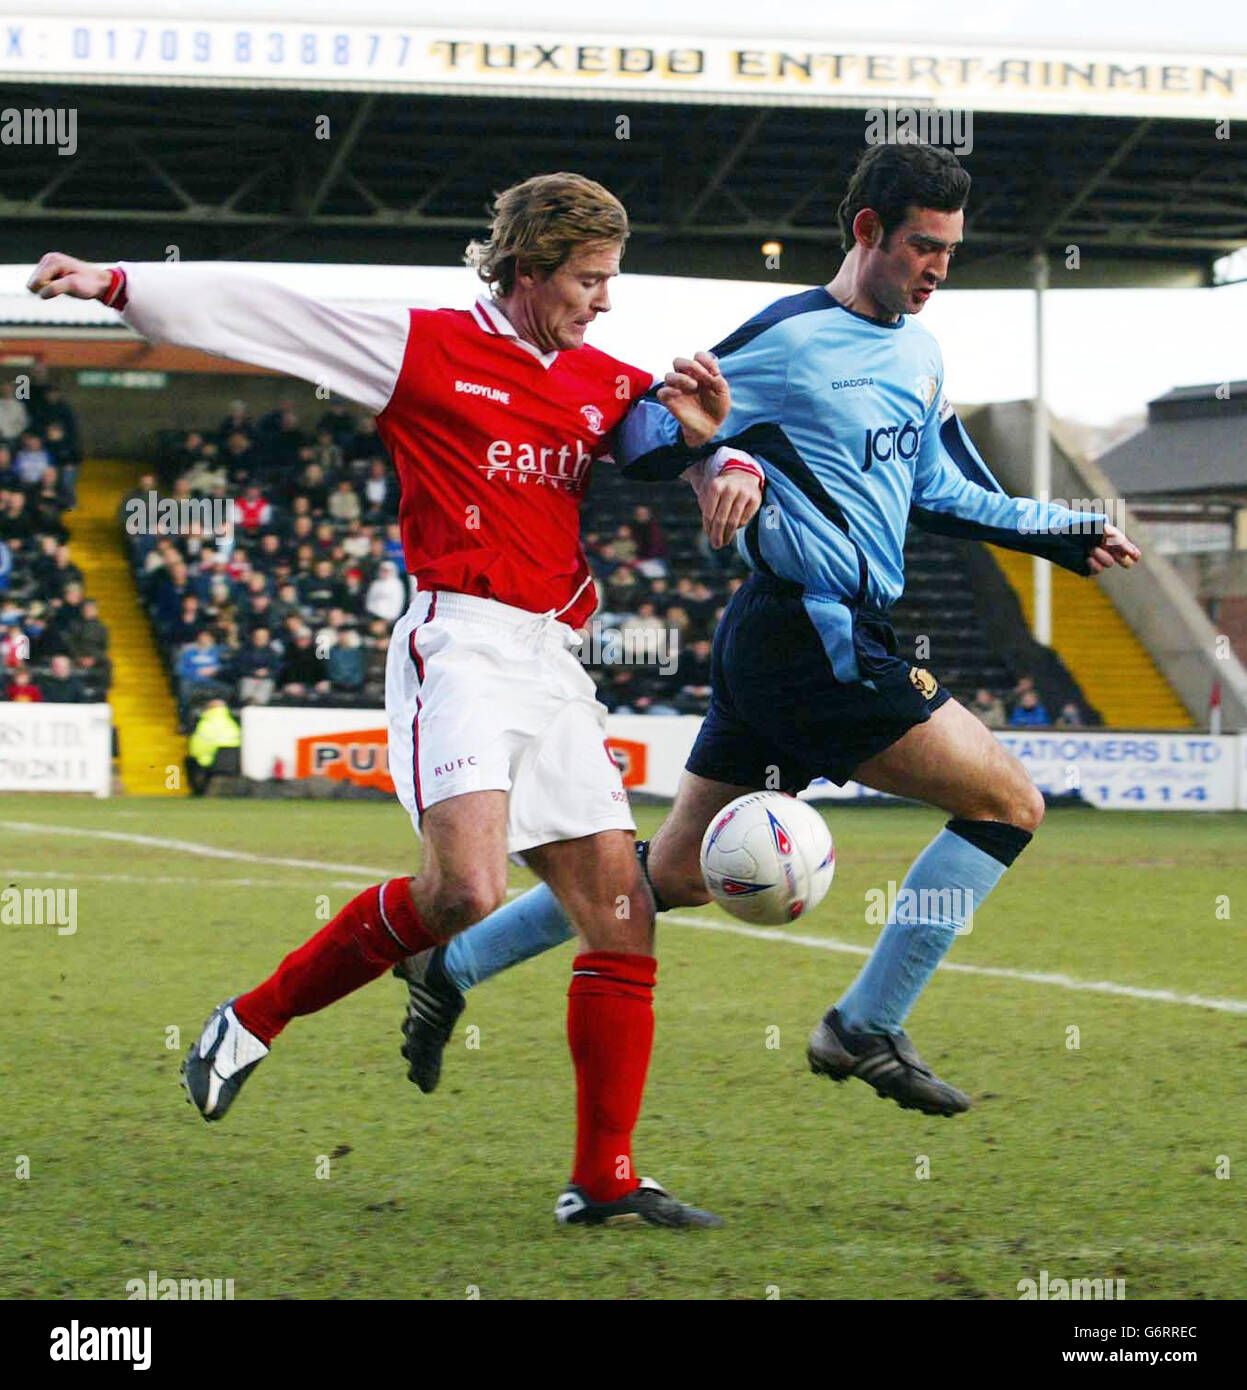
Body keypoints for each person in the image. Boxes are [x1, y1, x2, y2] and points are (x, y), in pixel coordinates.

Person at [29, 170, 760, 1229]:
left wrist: (718, 453)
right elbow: (268, 314)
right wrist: (118, 284)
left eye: (611, 279)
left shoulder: (603, 378)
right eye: (588, 279)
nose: (605, 301)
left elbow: (666, 439)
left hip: (552, 663)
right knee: (462, 891)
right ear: (525, 270)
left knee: (618, 913)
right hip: (455, 643)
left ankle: (602, 1176)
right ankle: (249, 1018)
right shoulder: (423, 345)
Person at [390, 142, 1142, 1121]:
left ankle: (451, 965)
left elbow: (944, 493)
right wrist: (724, 456)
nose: (936, 270)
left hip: (786, 642)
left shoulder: (918, 352)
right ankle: (864, 1023)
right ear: (866, 230)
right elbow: (648, 430)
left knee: (667, 875)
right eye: (922, 246)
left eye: (950, 252)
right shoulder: (788, 339)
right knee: (1006, 804)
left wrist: (1062, 531)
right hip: (813, 639)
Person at [185, 696, 241, 796]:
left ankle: (197, 791)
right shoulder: (232, 723)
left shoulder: (206, 723)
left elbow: (198, 748)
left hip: (211, 762)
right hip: (232, 764)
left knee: (190, 762)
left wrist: (200, 759)